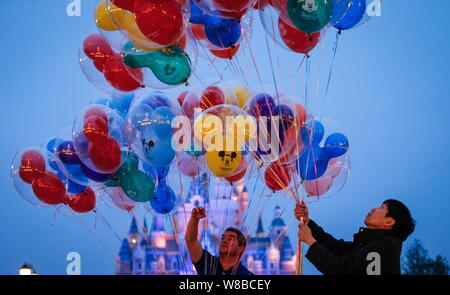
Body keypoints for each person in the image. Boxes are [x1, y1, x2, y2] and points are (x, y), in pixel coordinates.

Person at [295, 199, 415, 275]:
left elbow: (342, 269)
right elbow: (336, 247)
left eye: (381, 207)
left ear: (389, 222)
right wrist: (308, 222)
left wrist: (311, 241)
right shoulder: (371, 244)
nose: (374, 209)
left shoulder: (382, 249)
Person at [185, 207, 253, 275]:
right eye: (223, 238)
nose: (225, 240)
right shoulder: (208, 263)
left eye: (231, 238)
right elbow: (191, 240)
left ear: (241, 248)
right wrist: (194, 219)